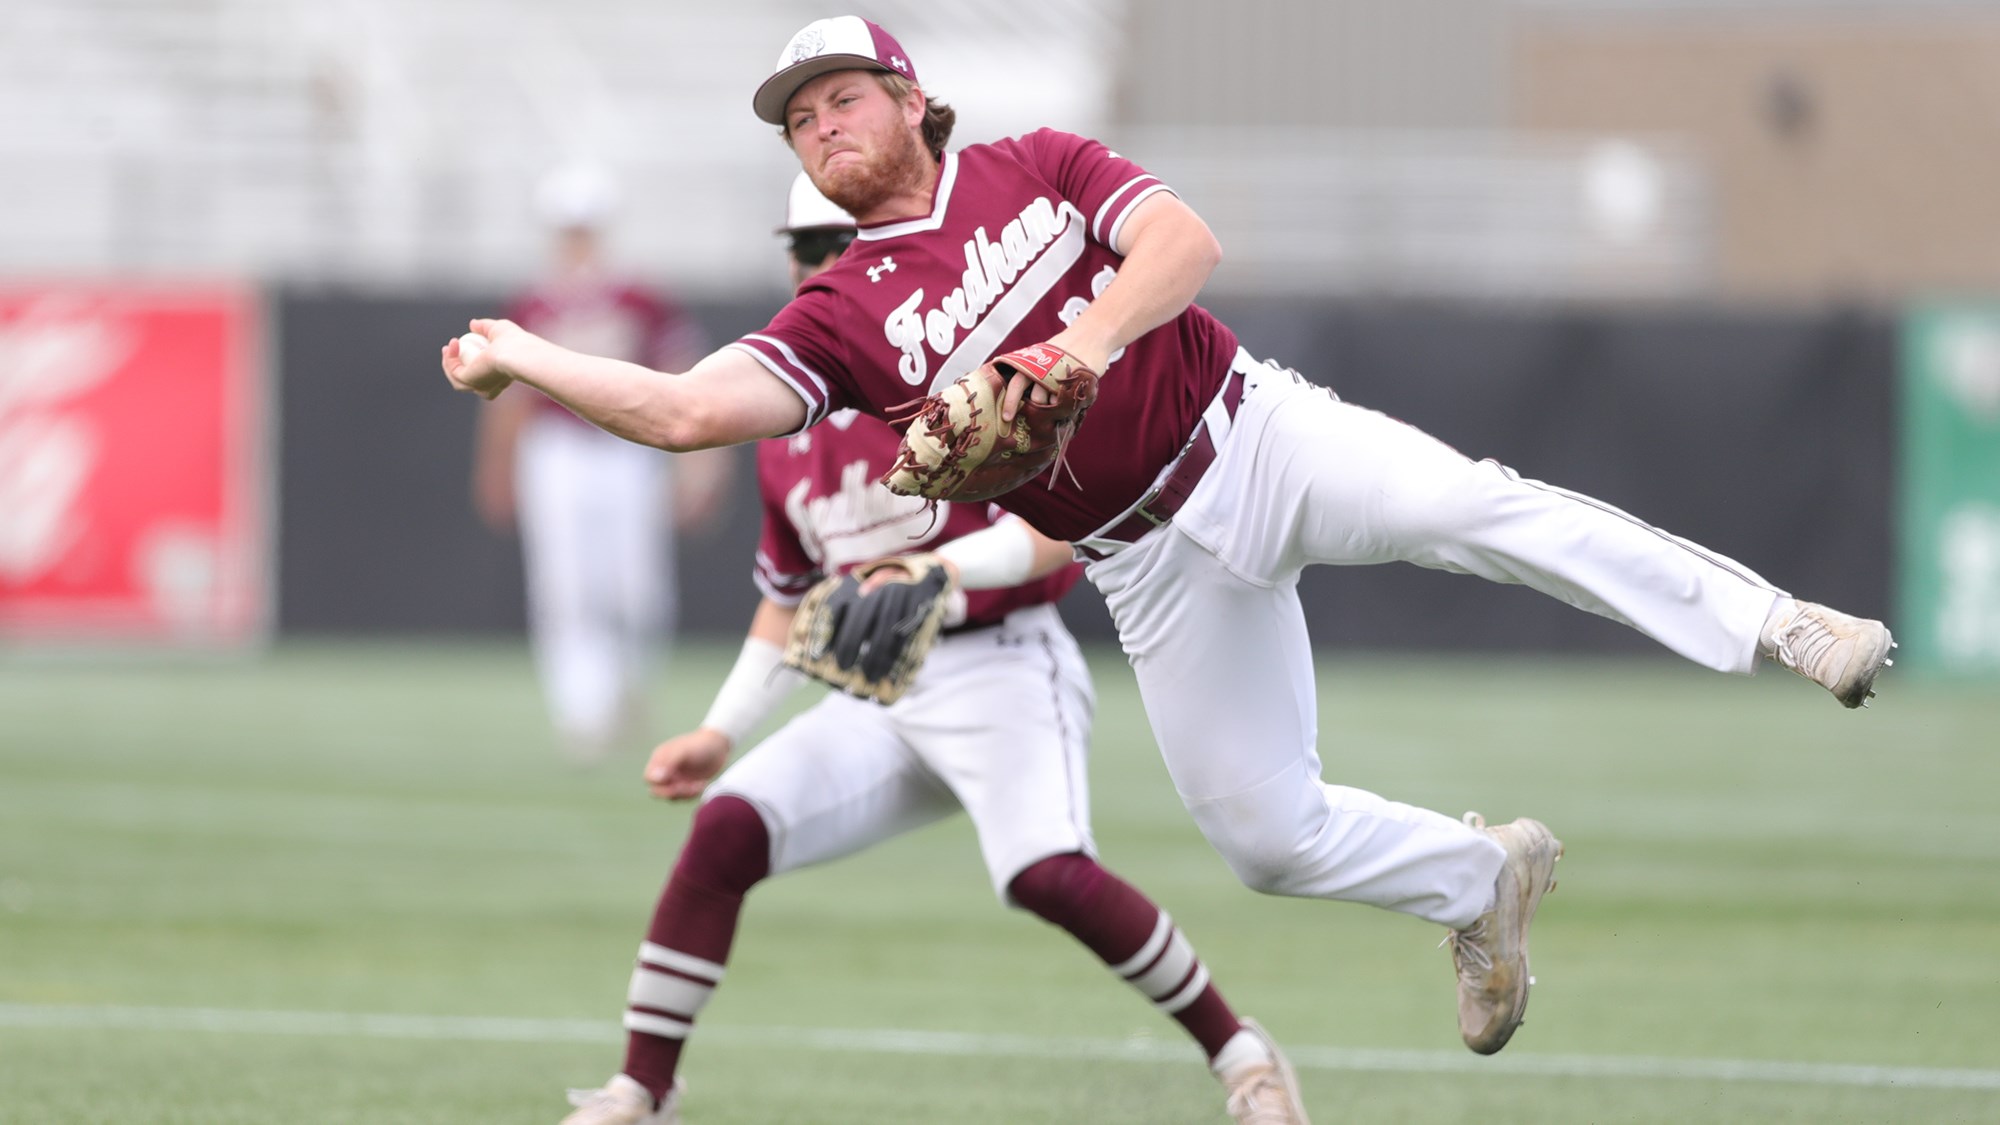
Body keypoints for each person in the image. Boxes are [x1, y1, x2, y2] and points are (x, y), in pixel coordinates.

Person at [443, 15, 1897, 1061]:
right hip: (1148, 558)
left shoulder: (1031, 164)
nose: (820, 130)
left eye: (838, 98)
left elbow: (1185, 245)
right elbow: (691, 410)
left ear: (908, 95)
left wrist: (1073, 349)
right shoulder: (837, 316)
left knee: (1477, 506)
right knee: (1264, 833)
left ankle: (1778, 623)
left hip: (1253, 433)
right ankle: (1481, 882)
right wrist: (527, 356)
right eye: (797, 120)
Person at [557, 173, 1311, 1125]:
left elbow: (1055, 537)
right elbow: (788, 600)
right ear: (791, 262)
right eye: (810, 249)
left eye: (843, 245)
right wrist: (719, 730)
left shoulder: (950, 377)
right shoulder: (782, 434)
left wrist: (941, 571)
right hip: (878, 695)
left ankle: (1242, 1054)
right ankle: (642, 1089)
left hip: (1002, 665)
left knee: (1046, 872)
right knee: (727, 825)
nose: (828, 267)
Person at [472, 162, 728, 762]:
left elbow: (685, 379)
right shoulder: (531, 302)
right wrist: (497, 466)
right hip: (557, 451)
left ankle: (629, 686)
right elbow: (506, 398)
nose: (577, 239)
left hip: (628, 448)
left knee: (636, 587)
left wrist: (697, 468)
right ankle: (581, 710)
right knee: (564, 585)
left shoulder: (640, 298)